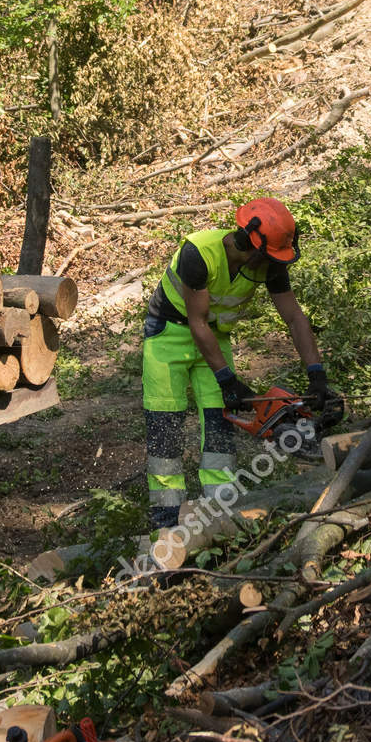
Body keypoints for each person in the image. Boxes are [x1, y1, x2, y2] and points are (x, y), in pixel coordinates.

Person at [141, 197, 342, 529]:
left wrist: (316, 374)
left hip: (214, 337)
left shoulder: (269, 262)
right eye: (270, 259)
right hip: (168, 335)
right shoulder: (199, 254)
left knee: (219, 423)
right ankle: (166, 522)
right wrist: (227, 379)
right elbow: (197, 322)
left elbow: (293, 317)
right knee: (166, 427)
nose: (274, 266)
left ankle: (218, 513)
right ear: (250, 246)